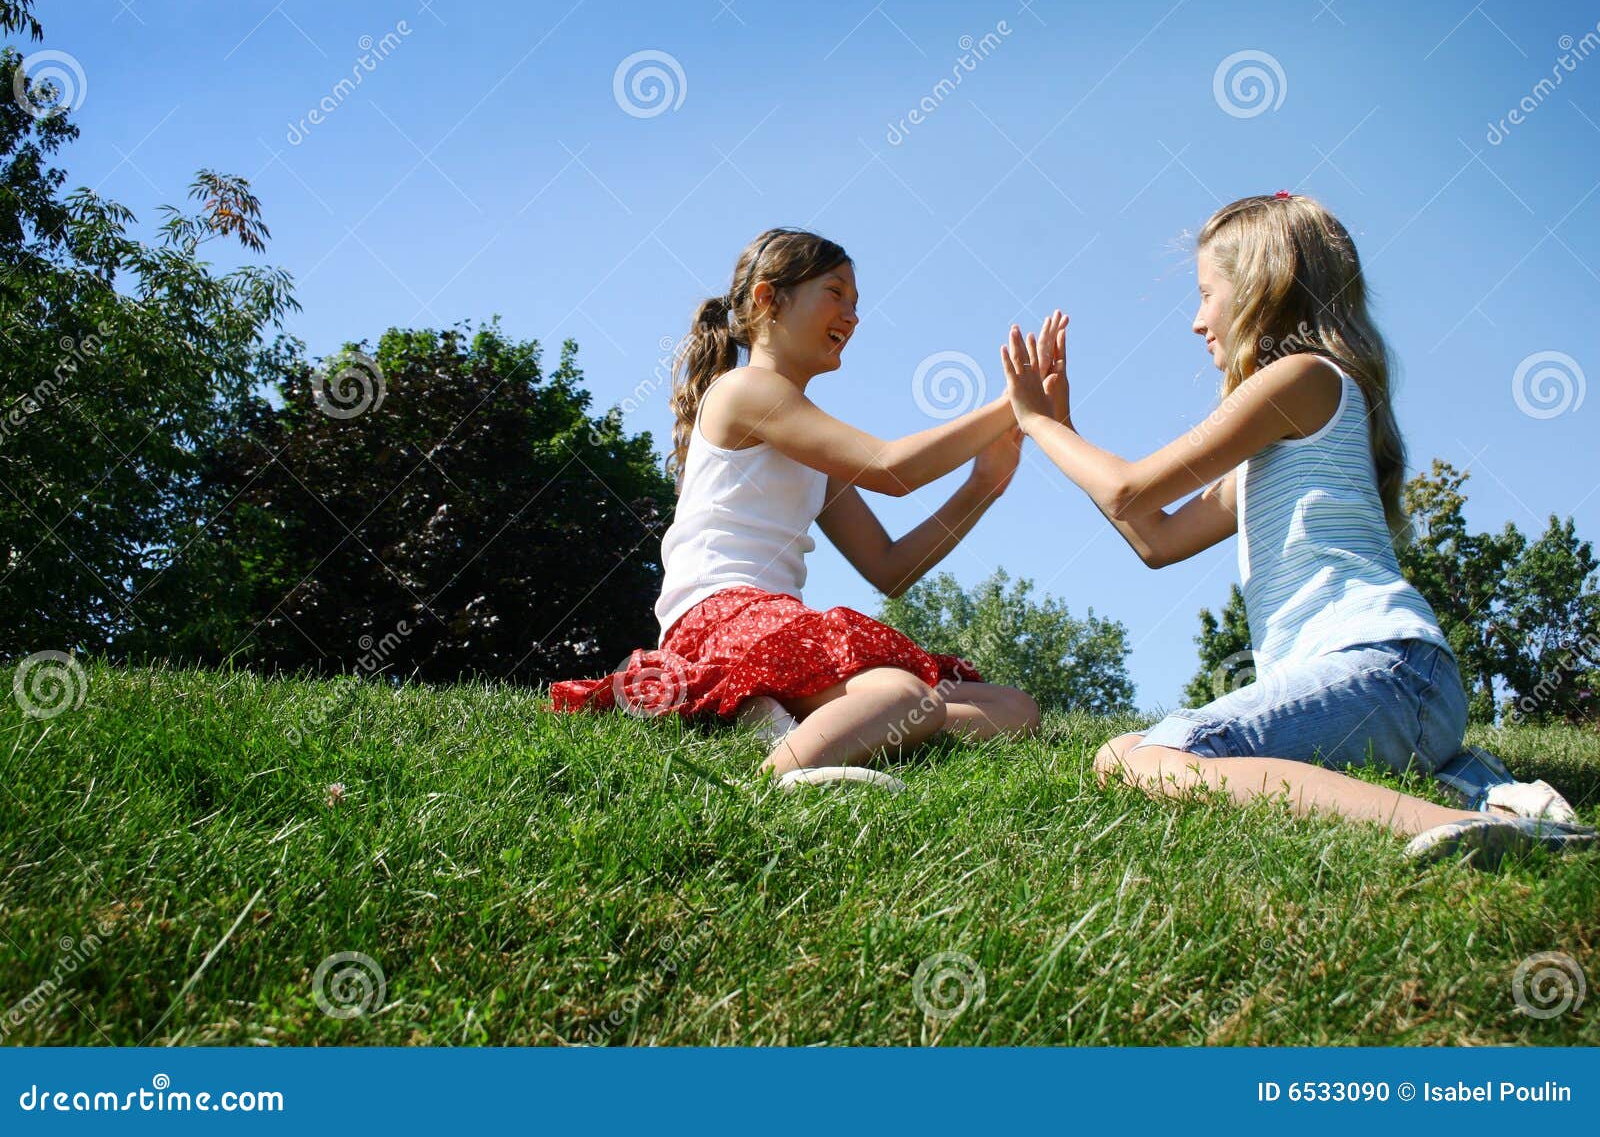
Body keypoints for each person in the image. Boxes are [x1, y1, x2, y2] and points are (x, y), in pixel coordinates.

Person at [1000, 192, 1595, 867]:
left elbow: (1129, 488)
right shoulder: (1279, 432)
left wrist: (1038, 423)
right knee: (1122, 753)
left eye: (1206, 294)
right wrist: (1066, 429)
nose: (1197, 321)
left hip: (1384, 665)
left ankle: (1464, 824)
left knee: (1151, 757)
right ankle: (1485, 790)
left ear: (1263, 287)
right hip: (1391, 689)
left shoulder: (1303, 378)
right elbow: (1155, 539)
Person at [553, 227, 1039, 786]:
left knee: (1013, 709)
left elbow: (889, 567)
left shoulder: (804, 437)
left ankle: (793, 719)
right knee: (905, 695)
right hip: (717, 618)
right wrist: (1013, 406)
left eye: (856, 303)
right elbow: (891, 470)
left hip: (771, 625)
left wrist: (984, 484)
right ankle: (773, 782)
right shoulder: (745, 390)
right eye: (835, 293)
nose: (852, 316)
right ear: (768, 298)